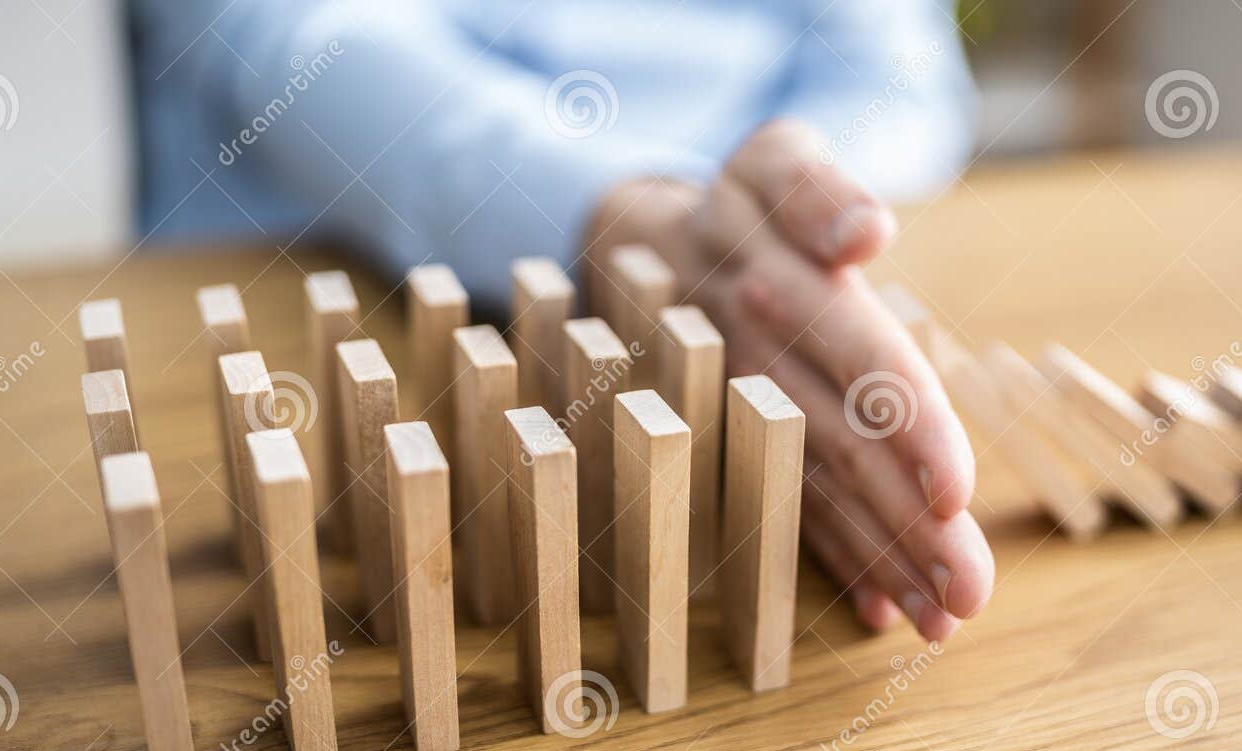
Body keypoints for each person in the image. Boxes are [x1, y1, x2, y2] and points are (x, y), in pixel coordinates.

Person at [131, 0, 995, 642]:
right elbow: (266, 33)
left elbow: (899, 71)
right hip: (314, 266)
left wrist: (788, 220)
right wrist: (631, 213)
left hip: (759, 317)